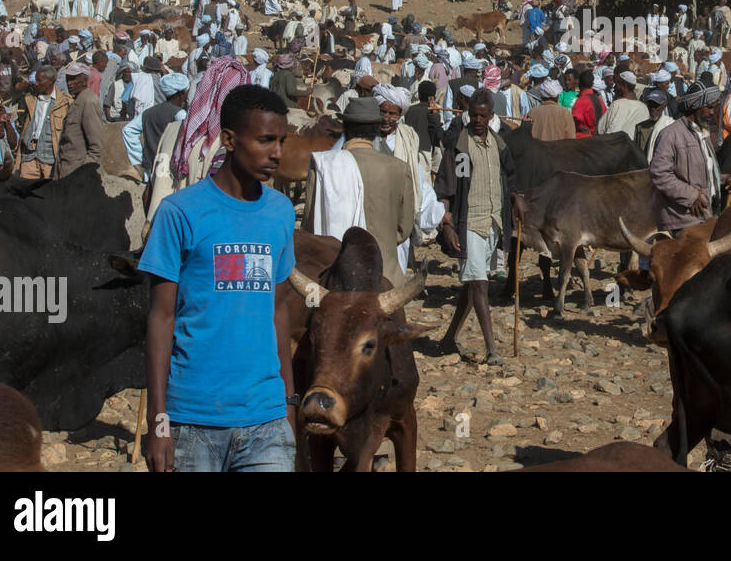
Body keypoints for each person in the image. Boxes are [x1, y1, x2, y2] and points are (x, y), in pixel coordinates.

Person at [140, 84, 296, 473]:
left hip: (266, 422)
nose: (277, 153)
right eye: (264, 140)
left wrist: (289, 406)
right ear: (229, 139)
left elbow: (278, 312)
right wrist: (158, 421)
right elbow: (161, 318)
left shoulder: (280, 212)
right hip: (192, 422)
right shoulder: (179, 213)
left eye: (281, 140)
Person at [435, 89, 523, 366]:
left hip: (495, 221)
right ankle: (491, 348)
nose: (477, 120)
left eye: (482, 115)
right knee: (480, 284)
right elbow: (448, 188)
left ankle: (450, 337)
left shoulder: (499, 145)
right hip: (469, 221)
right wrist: (447, 223)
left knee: (473, 283)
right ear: (467, 114)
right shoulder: (459, 147)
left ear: (491, 116)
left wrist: (515, 198)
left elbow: (509, 178)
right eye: (473, 115)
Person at [303, 98, 415, 286]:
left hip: (335, 277)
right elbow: (403, 230)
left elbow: (309, 225)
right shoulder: (399, 168)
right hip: (384, 277)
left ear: (345, 127)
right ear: (377, 128)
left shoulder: (324, 164)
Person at [649, 83, 731, 239]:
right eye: (709, 107)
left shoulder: (703, 133)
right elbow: (659, 174)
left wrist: (724, 181)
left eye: (715, 107)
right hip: (682, 219)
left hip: (705, 216)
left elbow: (704, 173)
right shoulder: (671, 134)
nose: (712, 112)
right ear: (696, 106)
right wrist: (692, 196)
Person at [122, 72, 190, 179]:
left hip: (150, 167)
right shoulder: (180, 114)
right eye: (186, 92)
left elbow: (128, 130)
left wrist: (139, 158)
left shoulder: (148, 112)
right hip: (168, 170)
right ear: (180, 94)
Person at [18, 66, 72, 179]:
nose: (36, 84)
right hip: (29, 156)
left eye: (39, 81)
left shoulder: (64, 103)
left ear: (50, 81)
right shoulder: (31, 100)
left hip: (50, 158)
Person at [55, 62, 105, 178]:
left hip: (76, 173)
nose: (69, 83)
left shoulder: (88, 101)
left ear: (84, 80)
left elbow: (96, 147)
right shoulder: (77, 100)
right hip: (66, 170)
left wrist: (83, 173)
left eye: (73, 79)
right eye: (68, 79)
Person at [598, 71, 649, 139]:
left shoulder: (617, 105)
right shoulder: (644, 108)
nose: (614, 88)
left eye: (617, 84)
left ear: (624, 86)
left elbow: (601, 130)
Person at [634, 88, 673, 160]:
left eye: (656, 105)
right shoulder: (640, 127)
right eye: (650, 105)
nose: (653, 109)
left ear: (664, 106)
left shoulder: (670, 126)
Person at [570, 69, 605, 138]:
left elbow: (574, 120)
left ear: (579, 84)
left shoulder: (581, 101)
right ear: (592, 84)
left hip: (585, 139)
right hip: (600, 138)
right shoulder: (600, 100)